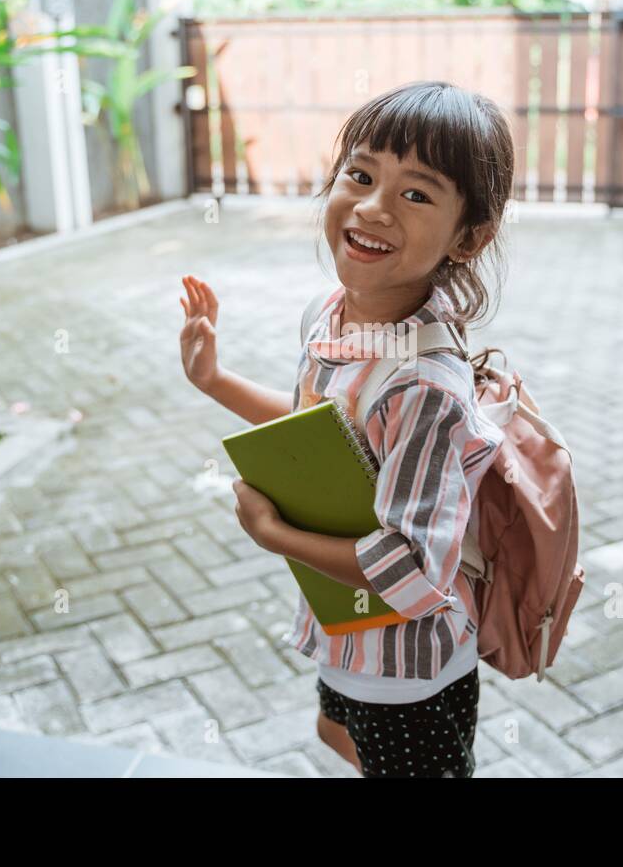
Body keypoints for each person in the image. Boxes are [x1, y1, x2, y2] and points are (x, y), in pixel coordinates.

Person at [179, 80, 514, 777]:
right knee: (338, 737)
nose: (371, 206)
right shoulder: (330, 313)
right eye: (360, 175)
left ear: (469, 236)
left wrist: (274, 537)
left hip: (405, 674)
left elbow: (417, 571)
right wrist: (214, 381)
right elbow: (321, 431)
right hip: (348, 632)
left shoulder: (425, 389)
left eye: (416, 194)